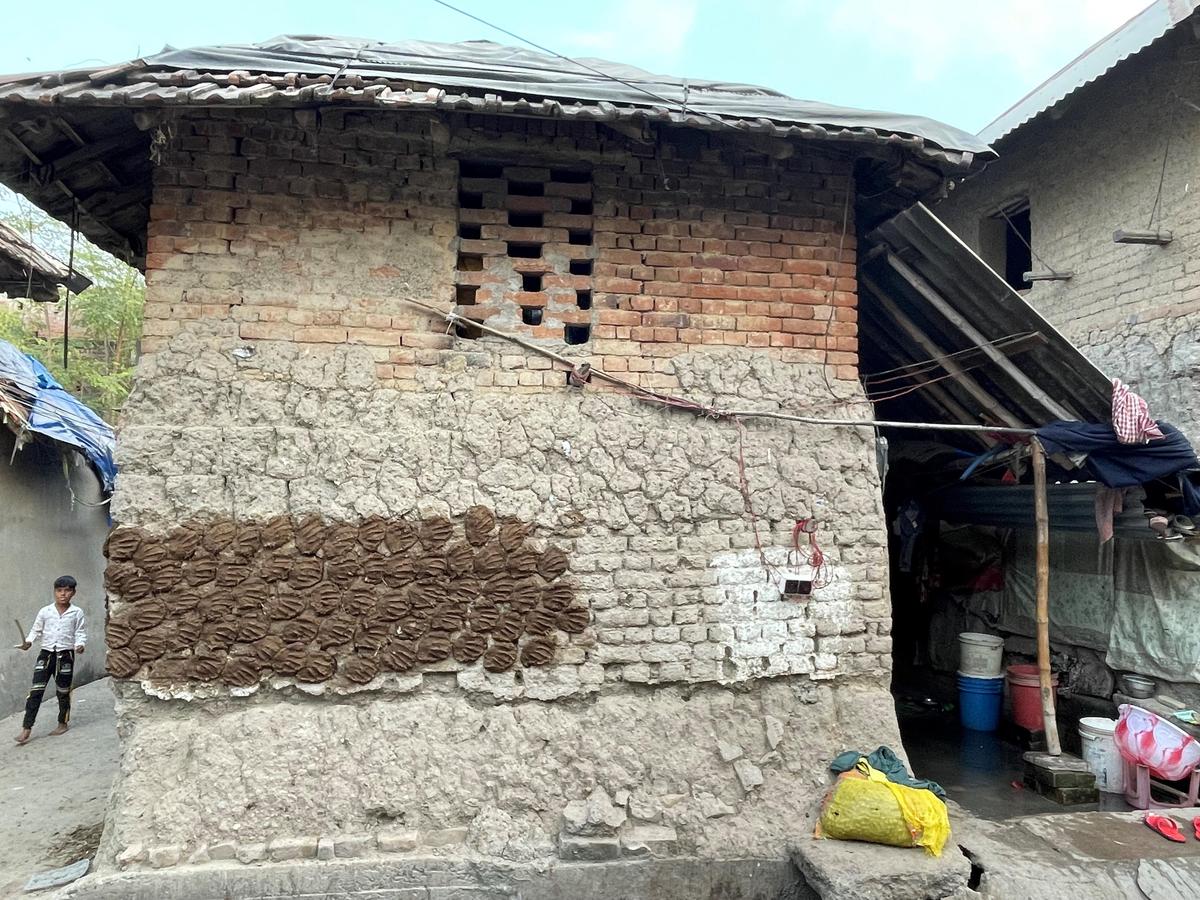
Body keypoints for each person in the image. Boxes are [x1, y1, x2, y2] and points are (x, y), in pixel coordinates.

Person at [14, 576, 86, 745]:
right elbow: (35, 630)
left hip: (66, 655)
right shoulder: (45, 611)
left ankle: (62, 722)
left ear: (73, 592)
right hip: (46, 655)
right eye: (59, 590)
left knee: (63, 691)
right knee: (36, 691)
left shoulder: (77, 612)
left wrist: (80, 644)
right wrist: (28, 642)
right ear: (54, 592)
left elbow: (80, 632)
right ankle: (26, 728)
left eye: (67, 590)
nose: (63, 594)